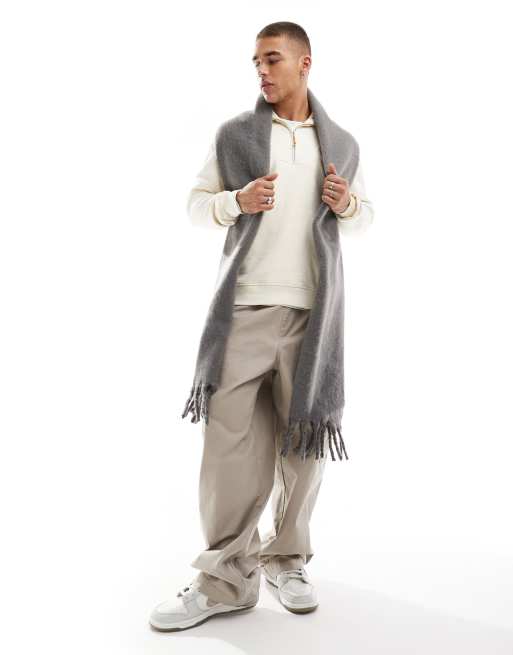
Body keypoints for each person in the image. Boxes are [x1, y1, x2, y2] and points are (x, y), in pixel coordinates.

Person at [149, 21, 374, 633]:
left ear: (305, 63)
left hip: (313, 316)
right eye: (256, 62)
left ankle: (286, 560)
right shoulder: (235, 135)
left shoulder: (342, 143)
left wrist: (347, 204)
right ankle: (226, 579)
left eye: (272, 59)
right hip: (243, 310)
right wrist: (237, 201)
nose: (262, 71)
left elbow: (366, 217)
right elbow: (197, 204)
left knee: (303, 446)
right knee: (228, 446)